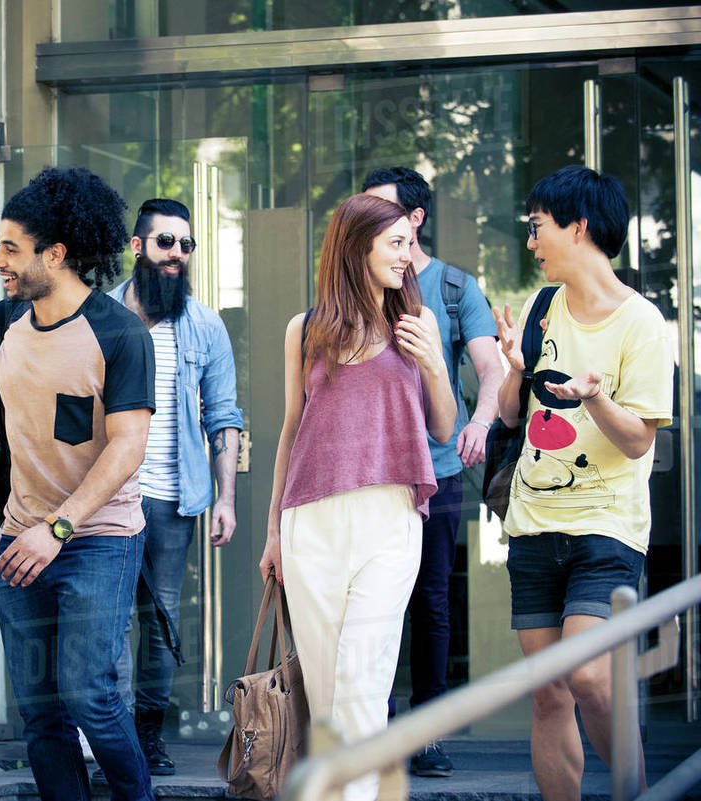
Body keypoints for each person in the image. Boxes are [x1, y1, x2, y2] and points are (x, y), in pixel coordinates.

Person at [0, 167, 156, 801]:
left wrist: (58, 529)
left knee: (89, 694)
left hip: (98, 538)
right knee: (41, 712)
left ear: (55, 254)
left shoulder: (119, 333)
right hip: (15, 539)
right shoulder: (5, 321)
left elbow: (128, 446)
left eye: (11, 247)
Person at [260, 193, 456, 801]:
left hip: (390, 517)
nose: (407, 255)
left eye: (409, 243)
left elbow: (444, 428)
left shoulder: (416, 326)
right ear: (357, 246)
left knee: (362, 680)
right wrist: (273, 532)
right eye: (395, 243)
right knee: (326, 694)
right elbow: (292, 430)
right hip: (309, 520)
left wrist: (434, 367)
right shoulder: (304, 330)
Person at [494, 166, 672, 801]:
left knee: (590, 678)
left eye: (539, 228)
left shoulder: (642, 323)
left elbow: (638, 440)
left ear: (579, 226)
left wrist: (594, 397)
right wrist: (515, 369)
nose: (533, 243)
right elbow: (512, 417)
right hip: (534, 523)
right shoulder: (543, 308)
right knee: (548, 692)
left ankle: (638, 792)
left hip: (607, 527)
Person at [362, 167, 504, 777]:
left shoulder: (452, 288)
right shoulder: (357, 285)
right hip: (374, 476)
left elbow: (491, 369)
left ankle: (427, 732)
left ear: (414, 219)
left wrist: (481, 422)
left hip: (439, 469)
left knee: (433, 603)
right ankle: (378, 726)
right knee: (373, 604)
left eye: (385, 211)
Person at [106, 198, 243, 775]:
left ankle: (148, 736)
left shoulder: (204, 324)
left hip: (170, 498)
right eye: (165, 242)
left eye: (185, 245)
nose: (177, 255)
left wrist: (226, 498)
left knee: (159, 621)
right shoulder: (100, 315)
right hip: (106, 495)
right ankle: (112, 743)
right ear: (137, 248)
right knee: (109, 622)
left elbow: (224, 415)